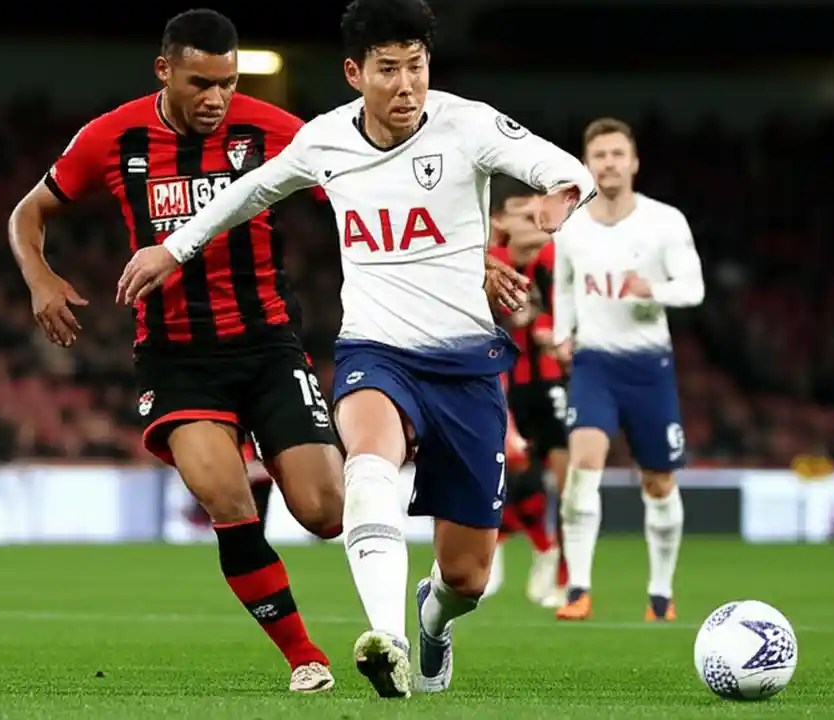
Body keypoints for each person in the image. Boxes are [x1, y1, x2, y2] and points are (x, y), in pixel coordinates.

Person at [115, 0, 591, 698]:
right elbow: (249, 192)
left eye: (417, 67)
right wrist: (173, 248)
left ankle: (432, 620)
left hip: (465, 364)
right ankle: (387, 638)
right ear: (354, 72)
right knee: (368, 465)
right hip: (377, 351)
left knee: (467, 578)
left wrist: (559, 198)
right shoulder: (323, 141)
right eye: (388, 69)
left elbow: (560, 167)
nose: (406, 85)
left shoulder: (469, 124)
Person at [7, 9, 344, 693]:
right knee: (226, 502)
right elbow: (27, 213)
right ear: (165, 71)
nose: (216, 99)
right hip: (179, 360)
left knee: (325, 513)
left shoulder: (274, 130)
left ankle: (272, 458)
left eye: (227, 82)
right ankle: (305, 657)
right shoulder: (112, 135)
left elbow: (357, 190)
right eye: (200, 83)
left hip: (270, 347)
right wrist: (40, 278)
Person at [551, 118, 704, 623]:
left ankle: (660, 595)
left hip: (648, 366)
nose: (609, 163)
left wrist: (653, 291)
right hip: (595, 362)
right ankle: (577, 589)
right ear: (587, 164)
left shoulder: (665, 222)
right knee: (583, 468)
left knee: (659, 483)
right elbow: (565, 285)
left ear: (633, 162)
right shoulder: (572, 225)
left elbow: (693, 288)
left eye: (618, 154)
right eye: (600, 156)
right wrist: (562, 335)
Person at [486, 182, 569, 608]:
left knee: (564, 481)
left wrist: (559, 333)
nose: (540, 224)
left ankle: (566, 575)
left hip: (550, 381)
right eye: (526, 215)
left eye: (542, 215)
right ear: (499, 223)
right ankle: (511, 543)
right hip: (495, 383)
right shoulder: (484, 265)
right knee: (512, 467)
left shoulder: (557, 258)